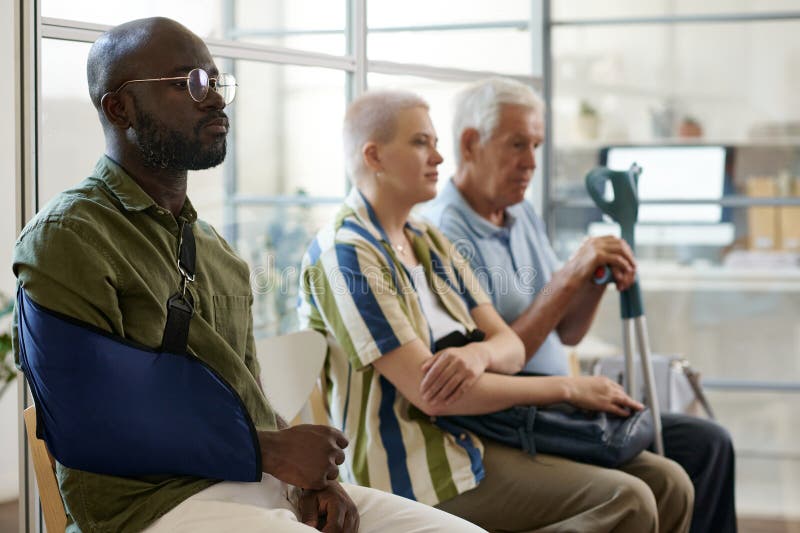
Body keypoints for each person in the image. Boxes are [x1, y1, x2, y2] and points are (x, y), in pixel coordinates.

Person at [12, 17, 485, 533]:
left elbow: (248, 399)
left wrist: (313, 480)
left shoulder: (217, 252)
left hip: (263, 483)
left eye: (217, 81)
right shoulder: (69, 236)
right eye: (189, 82)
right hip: (150, 510)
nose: (214, 98)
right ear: (119, 106)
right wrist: (269, 449)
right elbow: (88, 424)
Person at [299, 89, 694, 533]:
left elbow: (509, 345)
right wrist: (568, 388)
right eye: (420, 143)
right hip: (414, 472)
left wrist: (477, 355)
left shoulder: (428, 239)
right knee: (630, 500)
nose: (439, 157)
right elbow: (431, 392)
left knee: (670, 482)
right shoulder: (346, 256)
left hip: (480, 437)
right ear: (374, 156)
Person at [424, 76, 737, 533]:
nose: (531, 162)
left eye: (536, 145)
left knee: (709, 444)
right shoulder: (446, 233)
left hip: (558, 407)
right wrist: (570, 275)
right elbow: (502, 361)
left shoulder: (520, 212)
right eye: (517, 145)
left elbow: (567, 331)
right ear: (470, 143)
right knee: (681, 463)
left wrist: (593, 280)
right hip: (515, 417)